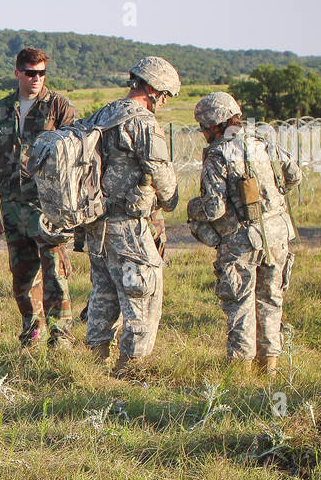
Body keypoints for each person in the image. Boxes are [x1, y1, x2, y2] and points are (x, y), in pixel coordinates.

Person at [81, 56, 181, 377]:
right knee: (143, 287)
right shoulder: (143, 123)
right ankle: (131, 369)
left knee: (104, 290)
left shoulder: (103, 114)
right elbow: (160, 172)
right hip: (127, 224)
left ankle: (94, 362)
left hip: (97, 223)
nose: (164, 101)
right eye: (164, 93)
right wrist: (171, 200)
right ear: (150, 87)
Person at [189, 92, 301, 375]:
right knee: (271, 299)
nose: (203, 133)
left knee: (240, 303)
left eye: (203, 127)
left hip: (241, 240)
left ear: (214, 124)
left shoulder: (218, 154)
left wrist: (192, 209)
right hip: (277, 235)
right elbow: (295, 175)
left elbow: (214, 208)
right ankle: (270, 367)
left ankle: (240, 370)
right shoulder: (264, 143)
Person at [0, 47, 78, 347]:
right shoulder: (0, 111)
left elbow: (78, 156)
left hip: (50, 208)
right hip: (12, 207)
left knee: (55, 274)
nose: (36, 79)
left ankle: (60, 337)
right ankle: (33, 334)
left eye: (41, 73)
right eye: (30, 73)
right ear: (18, 73)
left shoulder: (59, 107)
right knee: (22, 278)